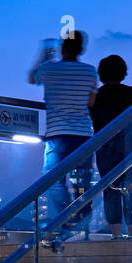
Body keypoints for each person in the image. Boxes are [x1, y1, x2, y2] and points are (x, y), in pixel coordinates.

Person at [29, 31, 99, 251]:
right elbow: (91, 102)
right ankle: (82, 227)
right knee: (83, 183)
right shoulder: (90, 71)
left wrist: (43, 56)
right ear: (82, 49)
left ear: (62, 48)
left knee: (52, 179)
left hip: (57, 133)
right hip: (83, 135)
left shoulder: (50, 69)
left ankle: (68, 219)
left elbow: (32, 78)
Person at [91, 55, 132, 239]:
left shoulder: (97, 96)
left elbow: (93, 119)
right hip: (131, 147)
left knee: (110, 189)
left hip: (105, 148)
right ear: (123, 72)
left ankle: (116, 234)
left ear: (101, 74)